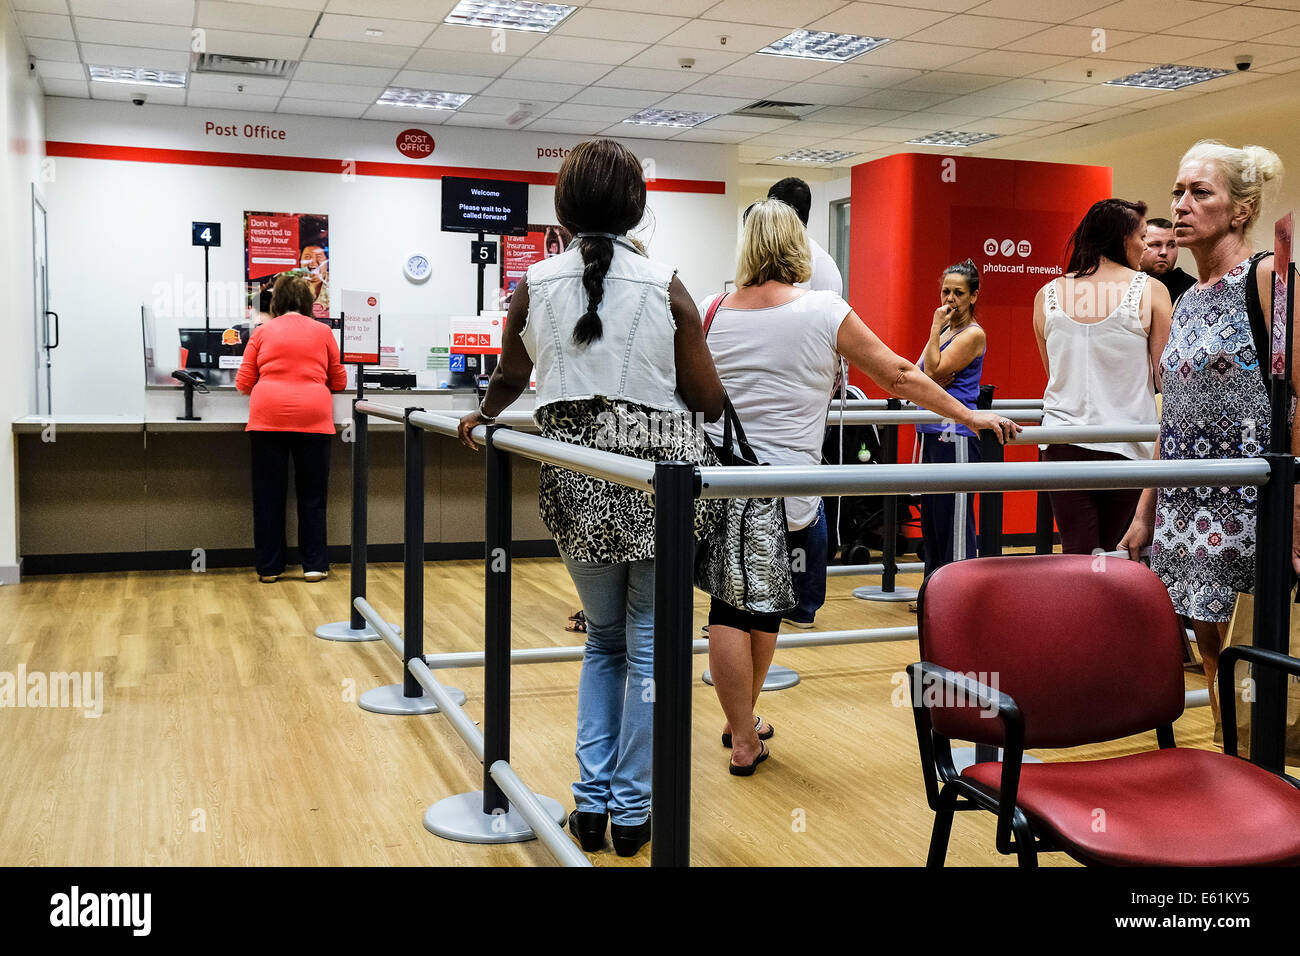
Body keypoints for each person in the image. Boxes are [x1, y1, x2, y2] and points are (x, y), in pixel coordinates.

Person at [456, 139, 724, 858]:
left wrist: (483, 415)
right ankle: (636, 814)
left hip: (577, 486)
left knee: (603, 644)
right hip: (660, 486)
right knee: (649, 648)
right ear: (636, 205)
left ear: (563, 208)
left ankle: (591, 805)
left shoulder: (534, 283)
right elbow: (706, 396)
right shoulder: (666, 282)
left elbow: (512, 376)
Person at [700, 199, 1019, 777]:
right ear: (798, 247)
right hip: (791, 487)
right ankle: (743, 730)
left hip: (723, 482)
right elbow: (897, 373)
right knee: (766, 609)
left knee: (726, 607)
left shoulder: (712, 309)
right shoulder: (824, 309)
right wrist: (969, 416)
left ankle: (739, 723)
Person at [1120, 140, 1291, 730]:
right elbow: (1177, 416)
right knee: (1211, 651)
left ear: (1240, 210)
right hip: (1185, 503)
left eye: (1200, 192)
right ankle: (1230, 760)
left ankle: (1260, 775)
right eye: (1177, 191)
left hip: (1247, 501)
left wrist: (1295, 510)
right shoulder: (1187, 297)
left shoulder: (1267, 278)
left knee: (1251, 654)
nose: (1182, 204)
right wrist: (1147, 508)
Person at [1035, 200, 1172, 556]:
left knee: (1079, 554)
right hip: (1128, 442)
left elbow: (1054, 375)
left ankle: (1075, 613)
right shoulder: (1152, 290)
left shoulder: (1046, 295)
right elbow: (1166, 380)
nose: (1146, 246)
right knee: (1117, 555)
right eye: (1142, 236)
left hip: (1063, 441)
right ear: (1121, 238)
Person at [766, 176, 845, 629]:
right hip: (796, 389)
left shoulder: (808, 261)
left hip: (797, 392)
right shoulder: (818, 260)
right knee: (791, 494)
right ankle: (780, 599)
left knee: (800, 497)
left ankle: (802, 600)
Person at [235, 273, 347, 583]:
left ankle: (269, 568)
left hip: (267, 418)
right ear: (308, 302)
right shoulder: (323, 332)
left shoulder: (261, 332)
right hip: (313, 419)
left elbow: (243, 383)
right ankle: (313, 565)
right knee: (312, 496)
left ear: (276, 301)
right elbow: (339, 380)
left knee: (268, 494)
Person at [913, 260, 988, 582]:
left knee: (954, 518)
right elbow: (920, 374)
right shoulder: (947, 331)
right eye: (946, 291)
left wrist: (933, 332)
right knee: (932, 520)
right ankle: (934, 588)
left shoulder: (972, 335)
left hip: (954, 435)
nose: (950, 299)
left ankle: (958, 587)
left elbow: (931, 372)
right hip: (930, 433)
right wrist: (931, 373)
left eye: (959, 292)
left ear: (973, 296)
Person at [1141, 217, 1196, 303]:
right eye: (1156, 245)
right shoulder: (1125, 283)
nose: (1164, 252)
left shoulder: (1192, 289)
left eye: (1171, 246)